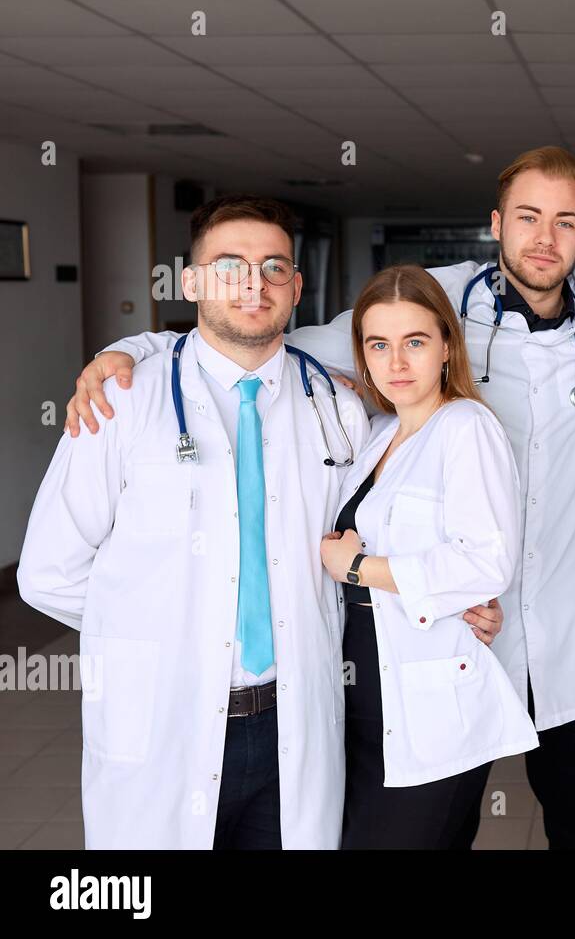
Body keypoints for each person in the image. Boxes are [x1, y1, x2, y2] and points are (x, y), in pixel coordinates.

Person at [63, 140, 575, 849]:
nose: (547, 239)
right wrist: (132, 349)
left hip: (567, 633)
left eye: (567, 222)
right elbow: (264, 337)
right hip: (453, 634)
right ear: (497, 223)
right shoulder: (431, 303)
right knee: (441, 824)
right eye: (530, 218)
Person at [17, 195, 369, 848]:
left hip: (294, 723)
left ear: (295, 286)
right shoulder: (121, 400)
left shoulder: (334, 405)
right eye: (229, 266)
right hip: (164, 723)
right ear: (191, 281)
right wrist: (160, 639)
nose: (252, 286)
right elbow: (46, 573)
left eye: (273, 268)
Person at [319, 265, 537, 849]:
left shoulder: (466, 426)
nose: (397, 363)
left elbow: (487, 563)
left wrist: (361, 568)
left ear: (446, 345)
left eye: (415, 342)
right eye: (379, 345)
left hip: (431, 711)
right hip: (362, 700)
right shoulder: (375, 435)